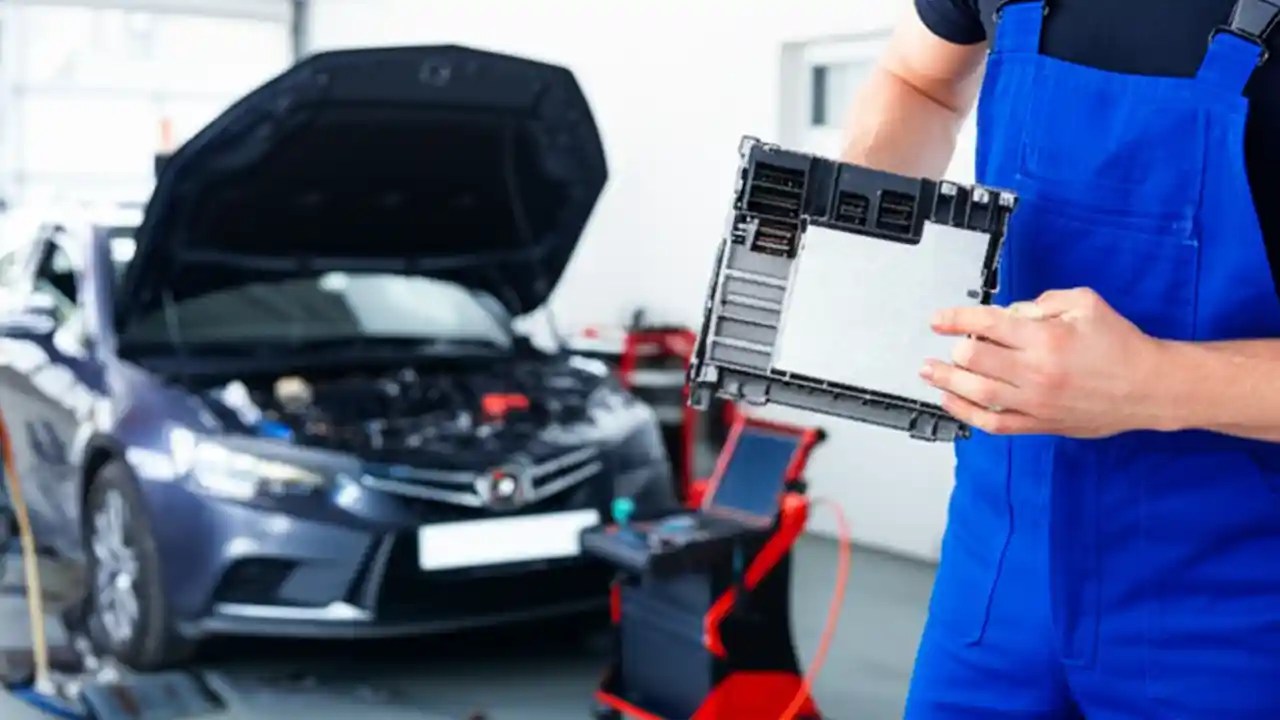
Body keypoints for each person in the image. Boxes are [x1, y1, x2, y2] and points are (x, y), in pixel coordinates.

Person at [840, 0, 1280, 717]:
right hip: (996, 554)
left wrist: (1153, 382)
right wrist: (853, 230)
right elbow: (916, 79)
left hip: (1238, 597)